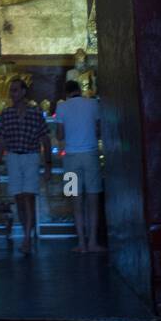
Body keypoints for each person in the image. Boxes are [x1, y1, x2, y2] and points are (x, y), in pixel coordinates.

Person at [0, 77, 51, 254]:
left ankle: (27, 237)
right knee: (18, 197)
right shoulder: (6, 114)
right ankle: (27, 232)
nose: (13, 93)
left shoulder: (35, 113)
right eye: (11, 90)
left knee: (28, 196)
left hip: (31, 156)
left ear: (24, 92)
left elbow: (45, 140)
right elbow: (1, 142)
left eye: (16, 90)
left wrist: (48, 164)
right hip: (13, 157)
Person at [54, 79, 104, 253]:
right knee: (93, 199)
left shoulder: (61, 107)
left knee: (75, 201)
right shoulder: (93, 104)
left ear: (66, 93)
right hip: (91, 156)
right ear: (79, 90)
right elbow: (99, 130)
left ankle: (81, 243)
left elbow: (59, 135)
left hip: (70, 158)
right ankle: (93, 243)